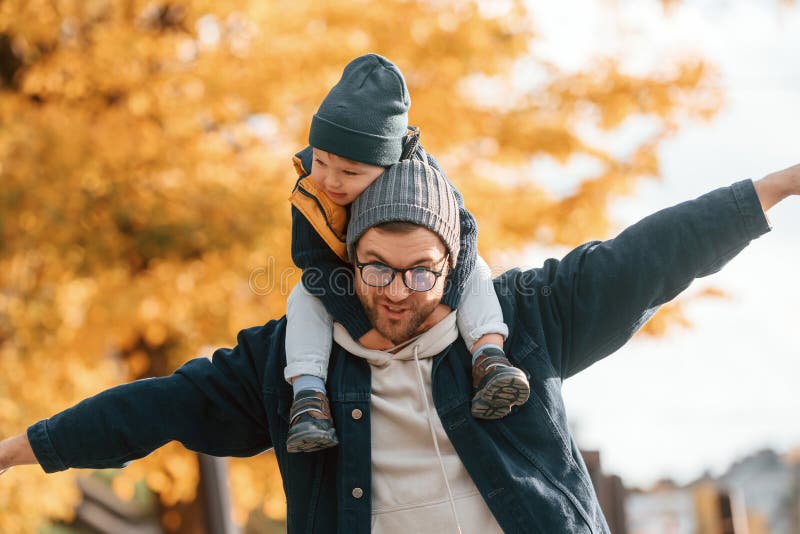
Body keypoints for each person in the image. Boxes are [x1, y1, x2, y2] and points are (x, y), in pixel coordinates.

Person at [1, 152, 798, 533]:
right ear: (349, 258)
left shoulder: (525, 318)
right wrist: (15, 452)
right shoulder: (291, 363)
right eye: (374, 268)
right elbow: (153, 409)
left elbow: (656, 253)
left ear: (452, 266)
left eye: (420, 273)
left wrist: (784, 183)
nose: (394, 292)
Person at [284, 53, 526, 454]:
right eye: (323, 162)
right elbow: (314, 263)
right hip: (348, 276)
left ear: (389, 162)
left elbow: (464, 231)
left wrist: (447, 300)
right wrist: (358, 323)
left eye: (350, 173)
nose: (331, 180)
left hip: (420, 271)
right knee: (303, 298)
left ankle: (489, 357)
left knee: (477, 269)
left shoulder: (422, 173)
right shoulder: (312, 189)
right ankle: (309, 396)